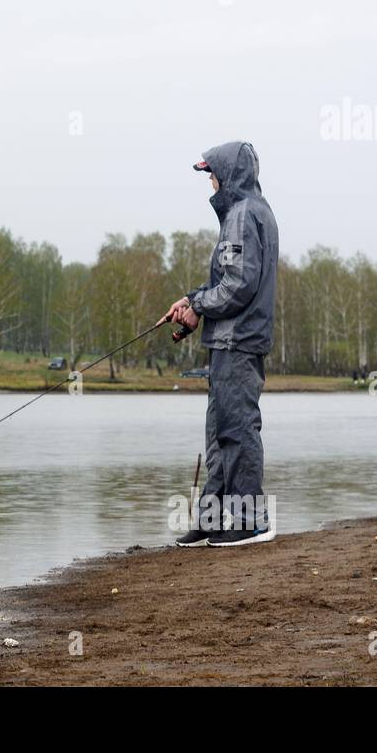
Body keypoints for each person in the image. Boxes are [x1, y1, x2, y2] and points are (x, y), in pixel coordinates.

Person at [161, 141, 279, 547]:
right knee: (218, 434)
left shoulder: (243, 215)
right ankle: (212, 519)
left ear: (228, 175)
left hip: (239, 342)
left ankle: (252, 523)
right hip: (228, 341)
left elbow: (238, 286)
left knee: (238, 431)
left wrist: (198, 306)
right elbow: (225, 283)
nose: (209, 182)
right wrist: (191, 301)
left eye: (211, 174)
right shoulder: (244, 213)